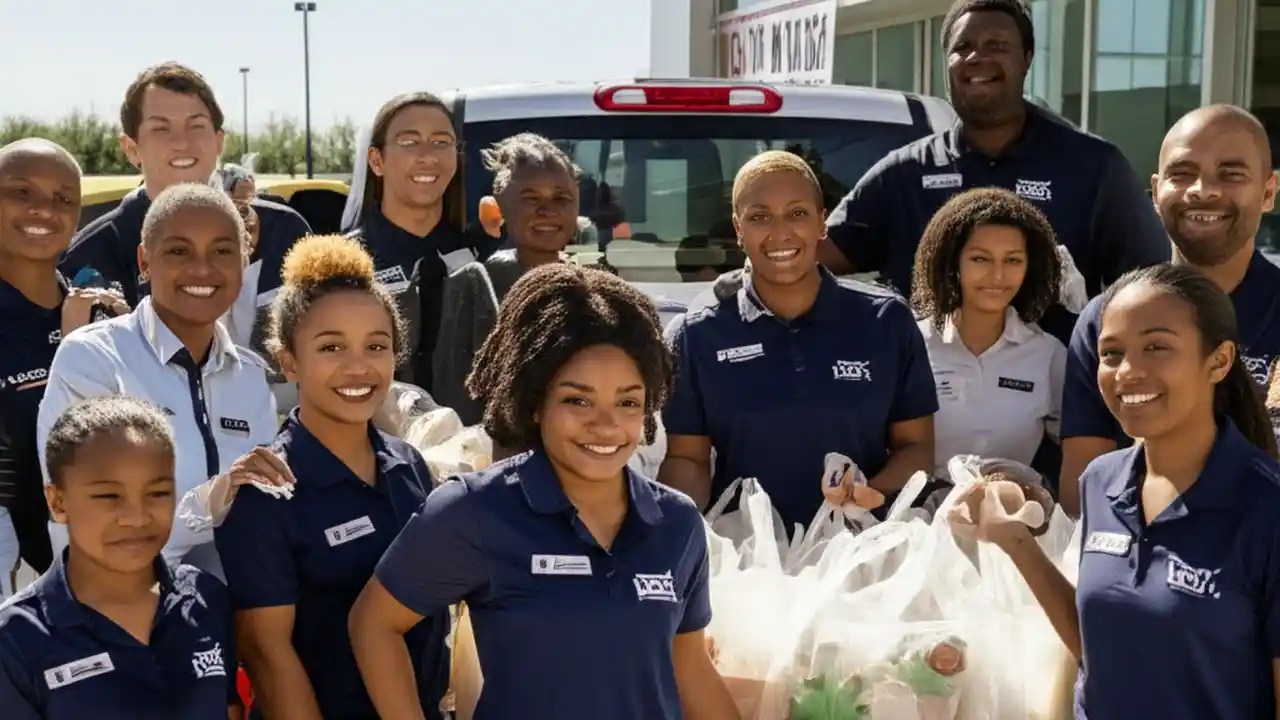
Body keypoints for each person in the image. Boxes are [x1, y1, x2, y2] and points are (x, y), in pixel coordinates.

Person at [348, 263, 738, 720]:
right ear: (535, 403)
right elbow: (374, 624)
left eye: (628, 402)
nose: (606, 424)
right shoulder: (474, 510)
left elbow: (687, 665)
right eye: (578, 400)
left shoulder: (677, 523)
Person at [952, 263, 1280, 720]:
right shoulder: (1101, 481)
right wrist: (1015, 542)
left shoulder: (1266, 509)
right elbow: (1101, 649)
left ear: (1219, 361)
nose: (1128, 371)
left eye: (1157, 348)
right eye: (1111, 353)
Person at [819, 0, 1167, 344]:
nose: (977, 57)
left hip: (1053, 393)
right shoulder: (902, 175)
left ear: (1027, 59)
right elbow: (811, 260)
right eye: (963, 47)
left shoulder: (1094, 167)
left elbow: (1153, 288)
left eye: (996, 45)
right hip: (929, 393)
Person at [210, 234, 448, 719]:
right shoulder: (267, 489)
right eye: (331, 347)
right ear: (289, 361)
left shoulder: (410, 467)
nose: (357, 367)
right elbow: (265, 652)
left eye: (375, 345)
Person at [658, 150, 937, 530]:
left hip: (861, 554)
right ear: (738, 229)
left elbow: (916, 447)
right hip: (747, 559)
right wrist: (676, 532)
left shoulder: (886, 321)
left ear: (823, 222)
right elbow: (687, 459)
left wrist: (869, 494)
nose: (780, 232)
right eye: (759, 217)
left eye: (798, 213)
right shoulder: (698, 333)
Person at [37, 183, 278, 577]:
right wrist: (217, 498)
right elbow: (94, 520)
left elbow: (265, 519)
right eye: (179, 251)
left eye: (222, 251)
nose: (202, 268)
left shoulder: (251, 376)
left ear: (244, 259)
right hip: (114, 613)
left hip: (232, 612)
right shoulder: (93, 359)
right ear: (144, 262)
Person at [1059, 104, 1280, 517]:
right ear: (1156, 193)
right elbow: (1082, 492)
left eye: (1231, 173)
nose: (1203, 190)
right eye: (1182, 173)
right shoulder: (1106, 319)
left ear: (1269, 192)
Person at [0, 396, 239, 720]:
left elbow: (228, 707)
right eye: (108, 496)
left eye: (157, 493)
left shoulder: (206, 599)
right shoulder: (15, 638)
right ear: (57, 502)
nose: (136, 518)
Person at [59, 62, 311, 355]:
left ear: (219, 141)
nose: (182, 142)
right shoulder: (90, 253)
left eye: (196, 126)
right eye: (161, 129)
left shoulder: (285, 232)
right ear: (131, 148)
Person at [0, 139, 128, 592]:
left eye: (62, 199)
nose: (43, 210)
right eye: (21, 192)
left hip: (109, 568)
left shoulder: (103, 316)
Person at [910, 187, 1065, 480]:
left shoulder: (1049, 355)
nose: (997, 276)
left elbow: (1079, 447)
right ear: (953, 262)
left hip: (1012, 518)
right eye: (980, 259)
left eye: (1012, 261)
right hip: (917, 519)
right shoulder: (913, 344)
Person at [431, 133, 581, 425]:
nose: (547, 211)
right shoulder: (478, 285)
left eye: (561, 199)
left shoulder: (588, 284)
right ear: (496, 209)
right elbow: (456, 393)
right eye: (530, 199)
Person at [345, 92, 479, 392]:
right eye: (408, 143)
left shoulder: (476, 257)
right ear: (377, 161)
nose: (428, 156)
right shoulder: (344, 264)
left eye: (441, 142)